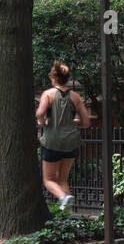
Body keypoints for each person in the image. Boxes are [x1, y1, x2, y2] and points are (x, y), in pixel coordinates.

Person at [36, 61, 91, 211]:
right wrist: (72, 122)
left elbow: (40, 113)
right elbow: (86, 123)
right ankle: (68, 217)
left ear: (53, 78)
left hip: (52, 140)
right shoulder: (75, 97)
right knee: (62, 179)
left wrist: (43, 122)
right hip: (71, 142)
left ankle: (63, 197)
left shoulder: (48, 94)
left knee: (48, 180)